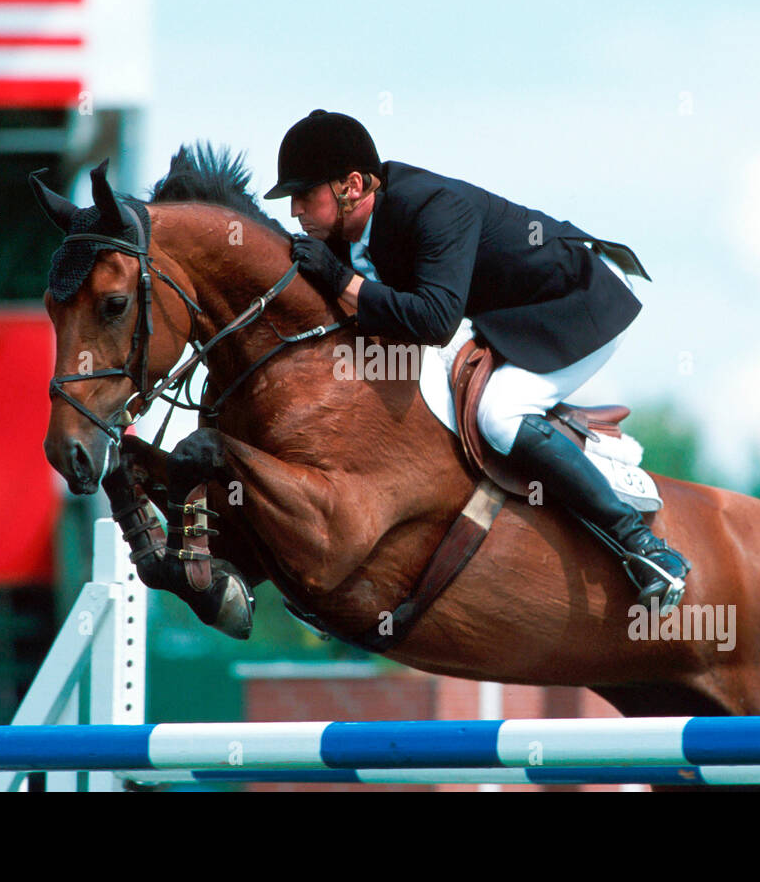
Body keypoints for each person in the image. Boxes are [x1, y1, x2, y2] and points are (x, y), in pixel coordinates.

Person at [267, 109, 690, 607]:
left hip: (579, 304)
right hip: (511, 314)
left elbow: (435, 320)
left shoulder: (433, 207)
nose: (295, 210)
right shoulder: (343, 231)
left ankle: (646, 549)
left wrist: (339, 281)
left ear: (352, 186)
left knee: (500, 414)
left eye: (304, 195)